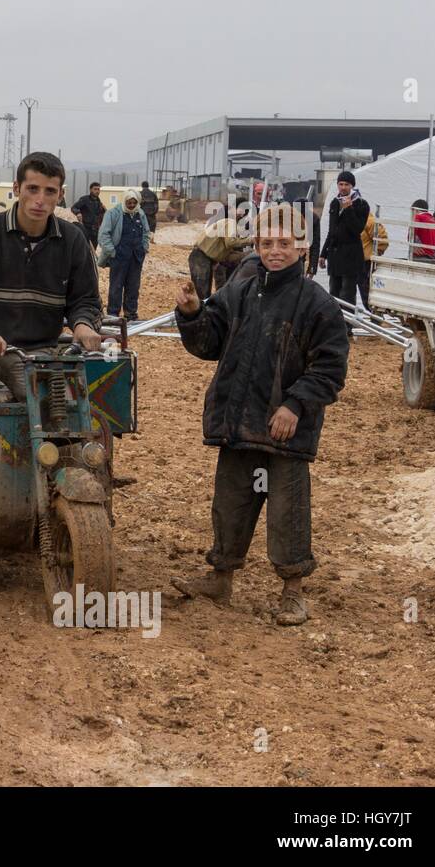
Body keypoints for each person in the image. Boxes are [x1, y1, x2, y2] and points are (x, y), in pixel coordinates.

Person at [171, 204, 349, 626]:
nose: (275, 251)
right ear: (256, 244)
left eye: (284, 243)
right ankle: (220, 578)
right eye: (267, 242)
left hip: (285, 433)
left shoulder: (318, 305)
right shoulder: (241, 289)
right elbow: (210, 342)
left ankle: (293, 592)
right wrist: (194, 313)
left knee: (287, 509)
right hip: (240, 424)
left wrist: (294, 405)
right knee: (231, 501)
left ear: (302, 247)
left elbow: (330, 368)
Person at [0, 152, 103, 446]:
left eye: (50, 191)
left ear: (60, 195)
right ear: (17, 189)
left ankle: (57, 466)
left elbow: (86, 299)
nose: (40, 199)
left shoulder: (74, 241)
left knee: (58, 404)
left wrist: (84, 324)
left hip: (36, 349)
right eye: (32, 189)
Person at [97, 188, 151, 321]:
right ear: (125, 201)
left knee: (133, 286)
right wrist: (112, 251)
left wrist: (144, 247)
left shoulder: (140, 213)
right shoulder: (114, 213)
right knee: (116, 286)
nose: (131, 205)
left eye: (134, 202)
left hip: (136, 257)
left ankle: (130, 314)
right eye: (129, 202)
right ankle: (113, 315)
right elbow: (103, 234)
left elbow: (146, 232)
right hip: (119, 257)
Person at [317, 170, 368, 308]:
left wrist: (348, 209)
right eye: (340, 184)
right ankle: (335, 325)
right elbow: (332, 230)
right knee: (334, 292)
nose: (343, 187)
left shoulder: (361, 204)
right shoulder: (335, 202)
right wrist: (323, 254)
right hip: (335, 255)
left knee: (347, 293)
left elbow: (357, 229)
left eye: (346, 184)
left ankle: (347, 326)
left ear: (352, 186)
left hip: (351, 255)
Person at [357, 209, 389, 309]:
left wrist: (377, 252)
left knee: (367, 293)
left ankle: (376, 318)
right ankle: (375, 317)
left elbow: (382, 239)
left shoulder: (368, 220)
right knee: (364, 292)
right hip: (358, 262)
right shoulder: (356, 220)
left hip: (366, 262)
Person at [70, 181, 105, 250]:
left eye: (98, 189)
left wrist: (104, 210)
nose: (97, 191)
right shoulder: (85, 199)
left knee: (92, 250)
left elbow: (100, 215)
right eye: (95, 189)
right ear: (90, 189)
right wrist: (78, 213)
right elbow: (74, 207)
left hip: (95, 231)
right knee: (83, 249)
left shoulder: (99, 202)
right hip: (85, 229)